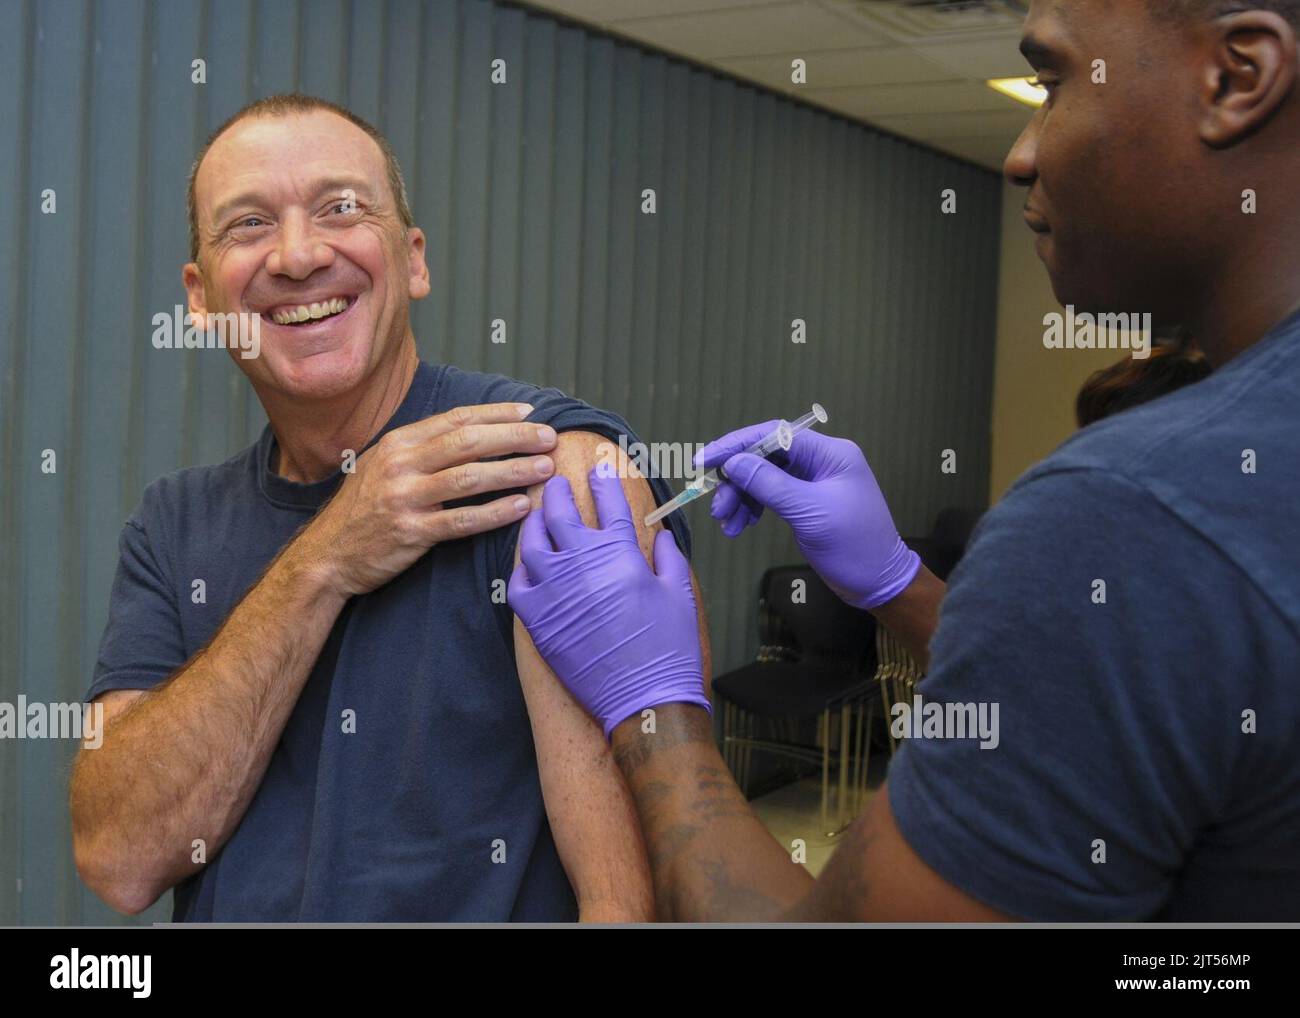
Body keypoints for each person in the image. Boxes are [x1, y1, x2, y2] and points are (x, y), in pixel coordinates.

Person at [509, 0, 1300, 921]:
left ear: (1238, 75)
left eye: (1053, 83)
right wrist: (901, 588)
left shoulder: (1133, 513)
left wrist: (653, 706)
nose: (1021, 154)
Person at [69, 94, 708, 922]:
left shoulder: (549, 471)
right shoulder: (173, 525)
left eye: (341, 207)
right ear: (200, 299)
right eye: (249, 225)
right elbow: (117, 859)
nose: (297, 256)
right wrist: (327, 554)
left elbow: (632, 904)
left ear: (413, 260)